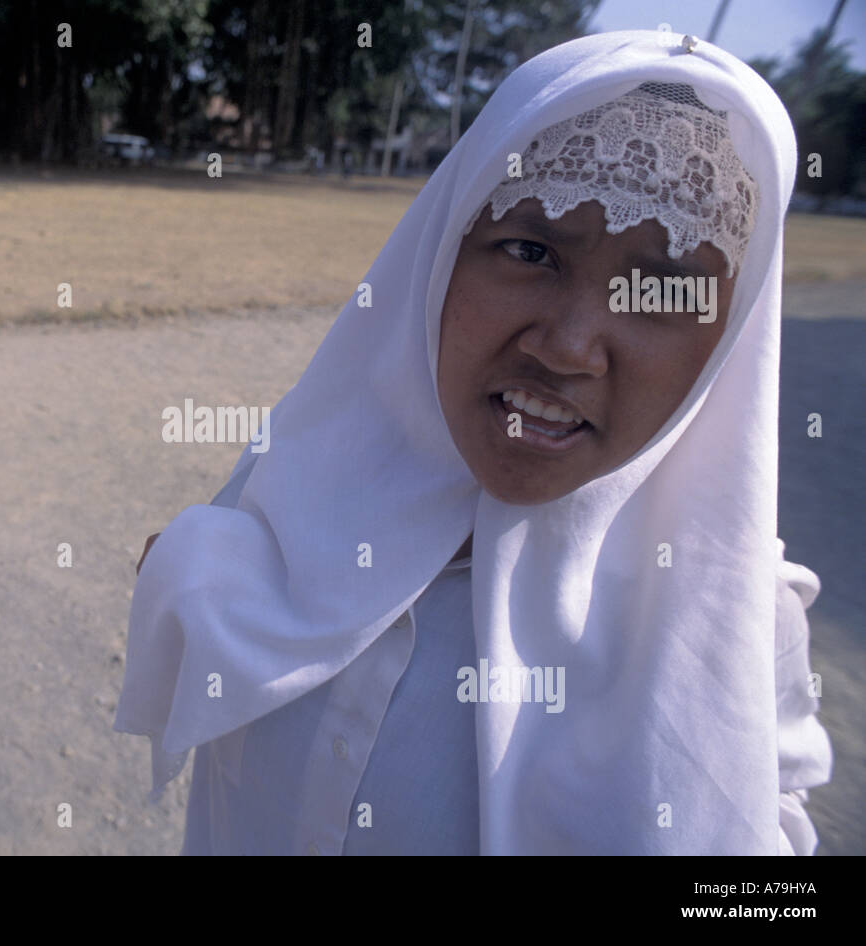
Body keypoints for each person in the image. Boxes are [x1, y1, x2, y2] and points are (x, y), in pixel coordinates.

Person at [117, 30, 833, 855]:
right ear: (442, 254)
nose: (568, 348)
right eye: (529, 250)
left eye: (658, 289)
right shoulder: (298, 478)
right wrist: (192, 561)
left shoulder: (740, 628)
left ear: (727, 345)